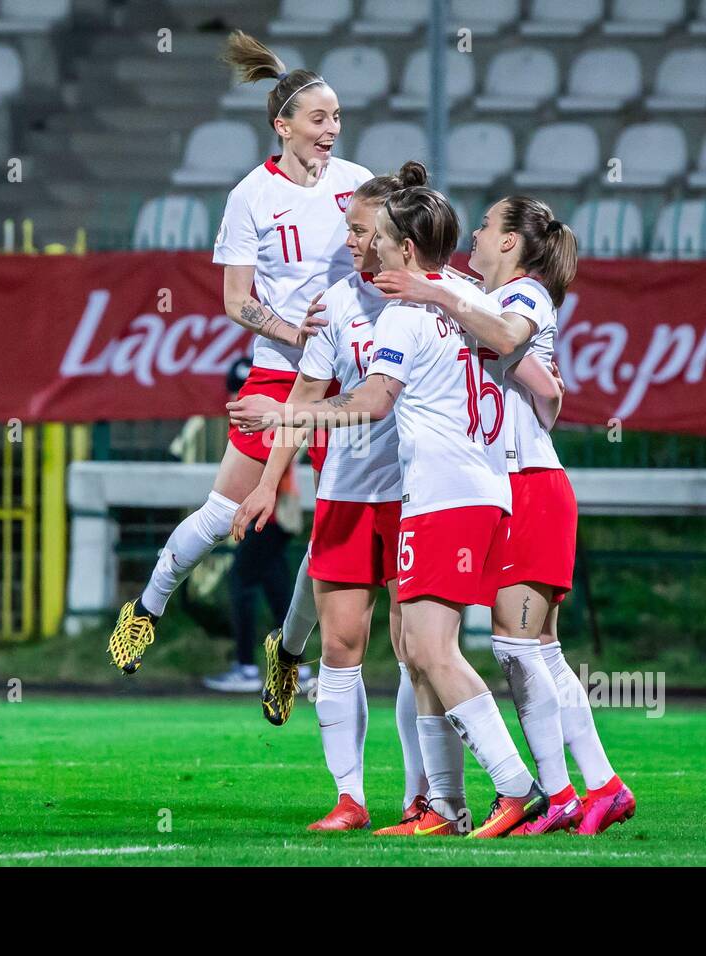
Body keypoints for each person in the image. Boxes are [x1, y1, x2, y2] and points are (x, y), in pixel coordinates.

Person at [230, 186, 549, 838]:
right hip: (476, 491)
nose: (362, 244)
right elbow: (519, 346)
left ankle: (516, 789)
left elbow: (373, 404)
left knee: (429, 649)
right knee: (413, 646)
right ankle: (441, 807)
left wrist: (282, 413)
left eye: (374, 235)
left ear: (405, 247)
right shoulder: (471, 300)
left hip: (441, 497)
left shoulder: (404, 313)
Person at [106, 30, 373, 676]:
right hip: (280, 375)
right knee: (224, 512)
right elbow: (235, 300)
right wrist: (299, 335)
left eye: (337, 117)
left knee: (330, 528)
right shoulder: (250, 196)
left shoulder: (361, 185)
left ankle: (286, 652)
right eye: (319, 118)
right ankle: (146, 606)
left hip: (345, 384)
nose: (331, 128)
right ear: (282, 125)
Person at [375, 197, 635, 835]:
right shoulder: (482, 293)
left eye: (489, 226)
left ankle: (579, 788)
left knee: (521, 647)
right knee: (531, 650)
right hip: (509, 484)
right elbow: (536, 378)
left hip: (530, 483)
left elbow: (514, 341)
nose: (478, 234)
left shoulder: (525, 296)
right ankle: (575, 791)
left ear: (513, 243)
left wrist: (434, 295)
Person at [232, 161, 442, 831]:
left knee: (415, 651)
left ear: (394, 236)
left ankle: (422, 796)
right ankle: (350, 797)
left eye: (358, 230)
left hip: (418, 497)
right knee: (345, 646)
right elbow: (304, 397)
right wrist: (267, 482)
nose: (347, 241)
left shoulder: (438, 300)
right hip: (348, 495)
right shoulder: (337, 303)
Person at [203, 358, 305, 693]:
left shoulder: (266, 412)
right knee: (278, 589)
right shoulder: (275, 407)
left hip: (272, 510)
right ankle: (295, 665)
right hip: (277, 509)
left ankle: (246, 665)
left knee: (242, 579)